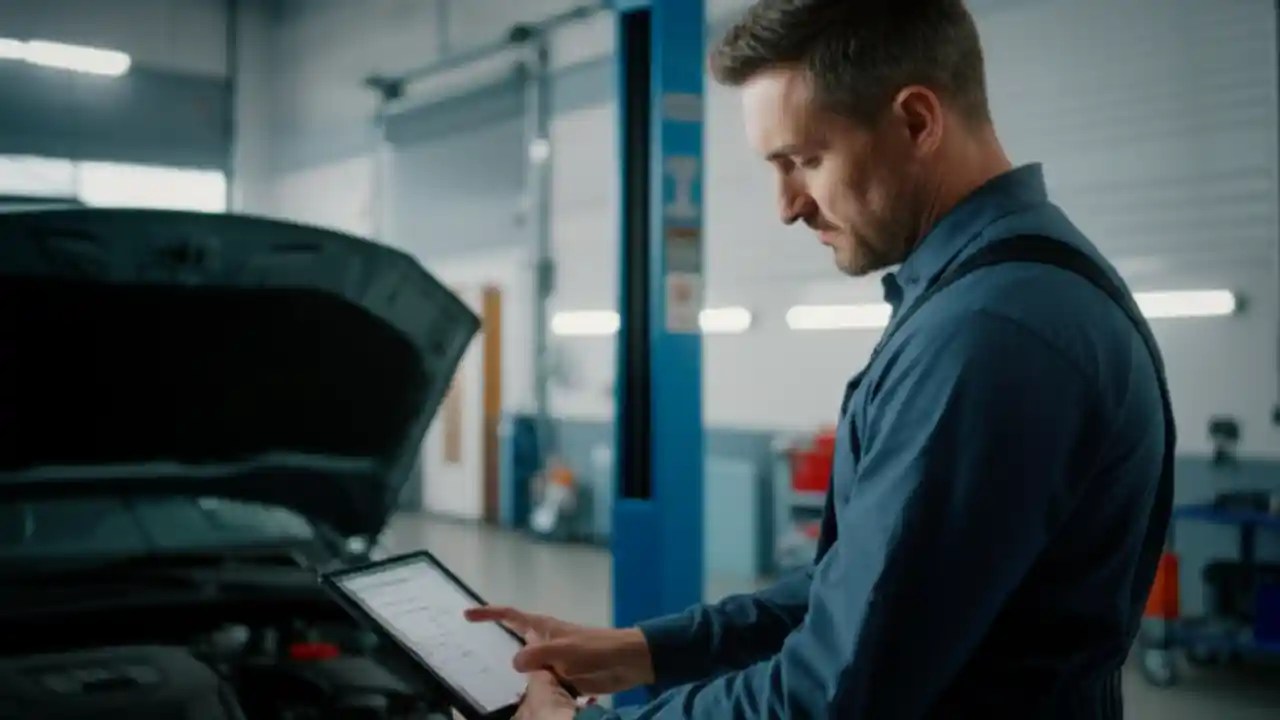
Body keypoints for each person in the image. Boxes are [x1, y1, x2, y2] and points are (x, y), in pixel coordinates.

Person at [468, 0, 1171, 717]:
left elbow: (833, 694)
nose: (786, 205)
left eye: (804, 160)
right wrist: (647, 650)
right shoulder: (1001, 292)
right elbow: (869, 588)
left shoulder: (988, 333)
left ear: (917, 121)